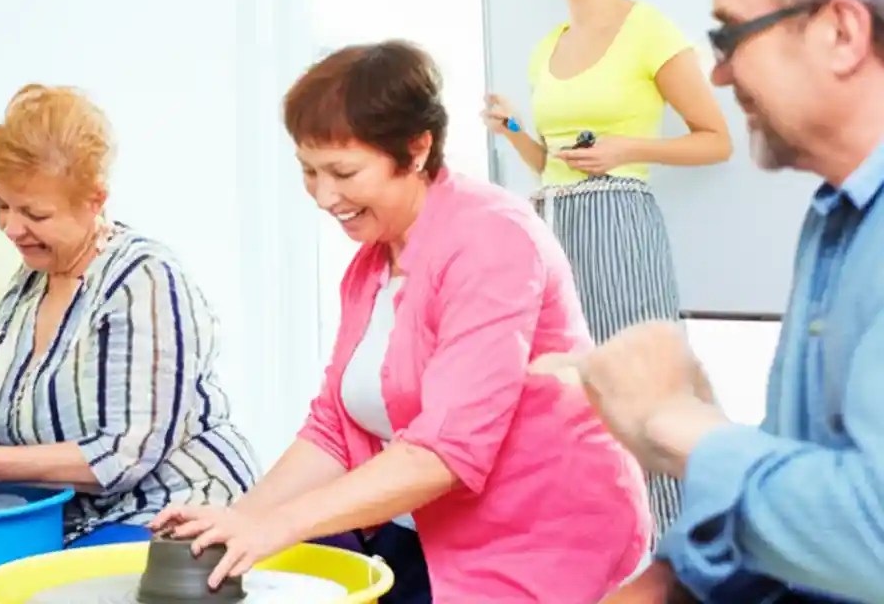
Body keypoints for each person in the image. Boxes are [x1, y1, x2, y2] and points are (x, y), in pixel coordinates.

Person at [151, 42, 650, 603]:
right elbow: (336, 431)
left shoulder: (491, 239)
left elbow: (447, 450)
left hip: (542, 536)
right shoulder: (371, 262)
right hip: (428, 534)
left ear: (416, 150)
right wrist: (235, 520)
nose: (322, 195)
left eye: (342, 172)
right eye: (308, 171)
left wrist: (278, 526)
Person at [537, 0, 884, 601]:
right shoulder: (835, 222)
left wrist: (678, 424)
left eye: (729, 36)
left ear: (842, 33)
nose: (720, 72)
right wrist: (672, 578)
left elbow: (871, 534)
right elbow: (803, 472)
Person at [0, 84, 260, 547]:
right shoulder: (29, 284)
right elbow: (6, 428)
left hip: (172, 514)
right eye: (2, 205)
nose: (11, 228)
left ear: (95, 201)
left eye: (35, 214)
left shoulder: (143, 280)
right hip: (66, 518)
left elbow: (124, 455)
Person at [481, 0, 732, 546]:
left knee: (647, 392)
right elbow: (554, 164)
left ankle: (681, 551)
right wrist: (511, 129)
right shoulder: (548, 47)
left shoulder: (647, 28)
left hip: (621, 220)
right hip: (557, 228)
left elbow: (715, 138)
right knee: (574, 395)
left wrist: (628, 148)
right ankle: (608, 546)